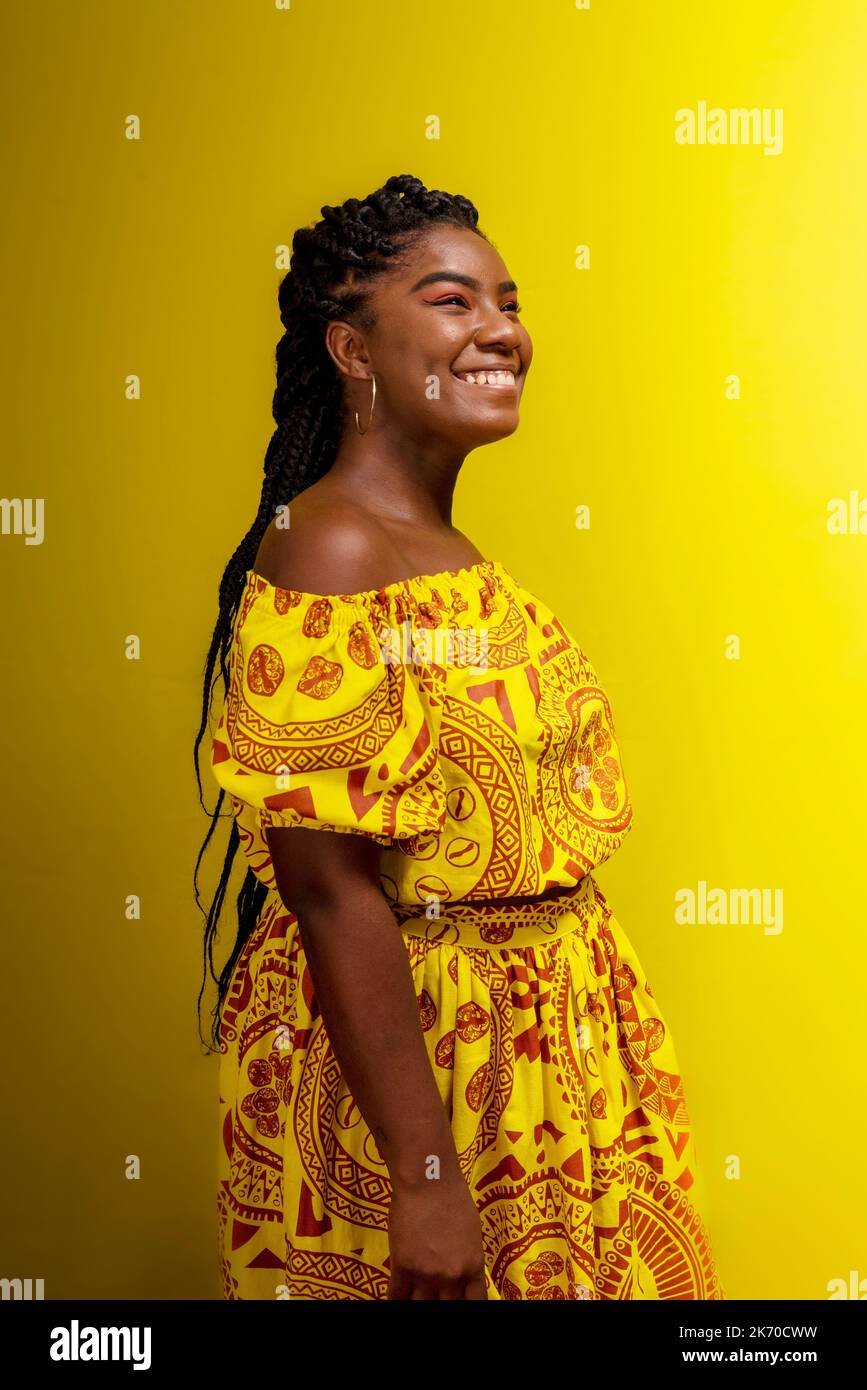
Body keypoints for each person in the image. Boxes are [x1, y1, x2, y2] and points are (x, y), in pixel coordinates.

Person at [194, 173, 725, 1301]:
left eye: (508, 299)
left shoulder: (443, 549)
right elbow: (331, 891)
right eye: (451, 301)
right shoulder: (336, 553)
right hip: (430, 1084)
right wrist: (428, 1178)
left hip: (548, 1064)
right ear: (351, 350)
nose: (501, 330)